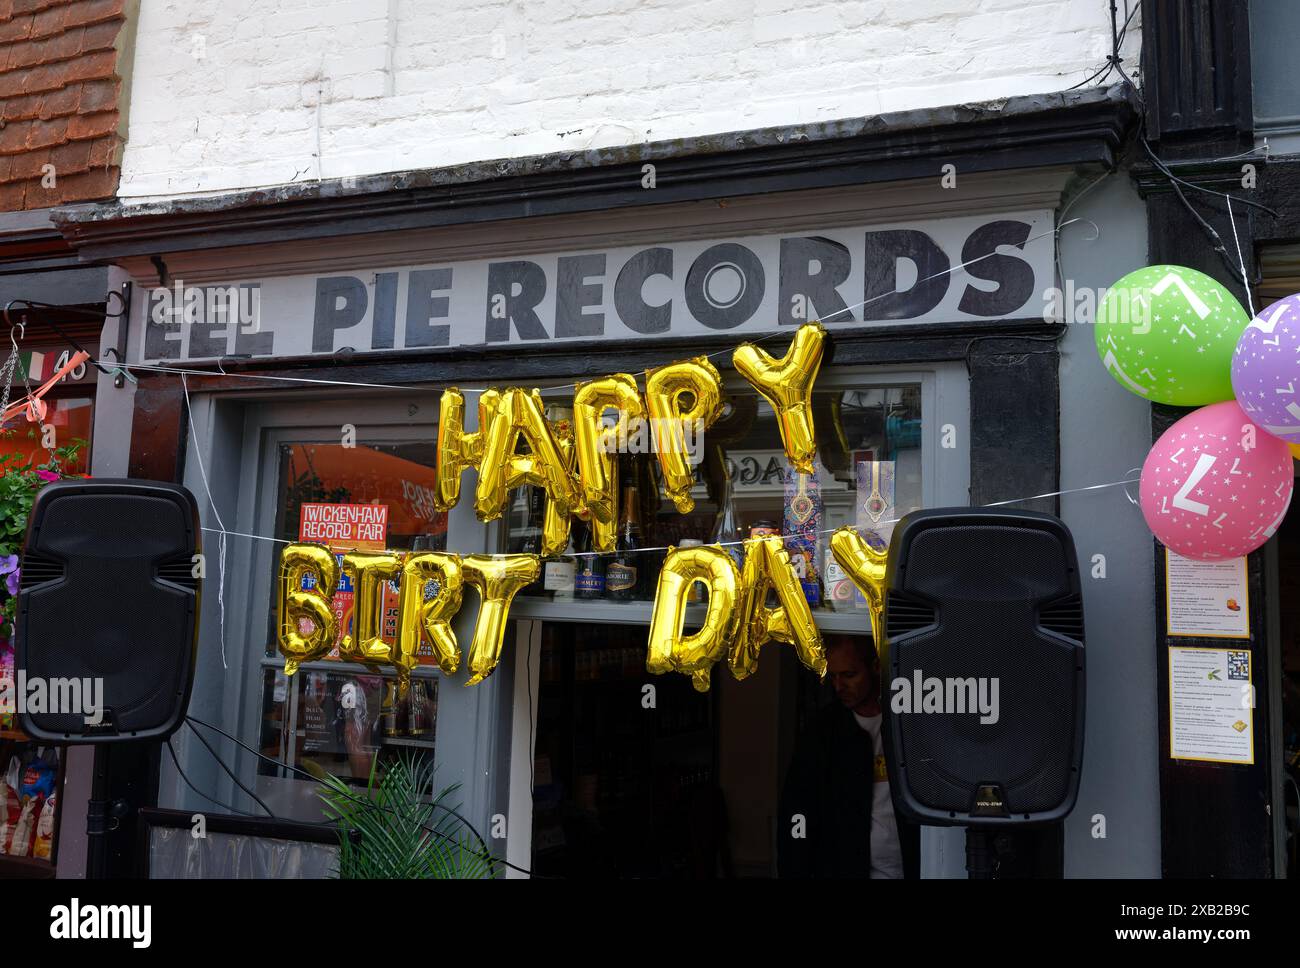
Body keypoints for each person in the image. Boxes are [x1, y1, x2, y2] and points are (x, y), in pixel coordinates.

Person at [778, 634, 920, 878]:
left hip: (916, 868)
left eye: (849, 675)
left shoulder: (911, 722)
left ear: (876, 667)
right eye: (833, 676)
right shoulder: (822, 732)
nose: (838, 686)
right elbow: (798, 810)